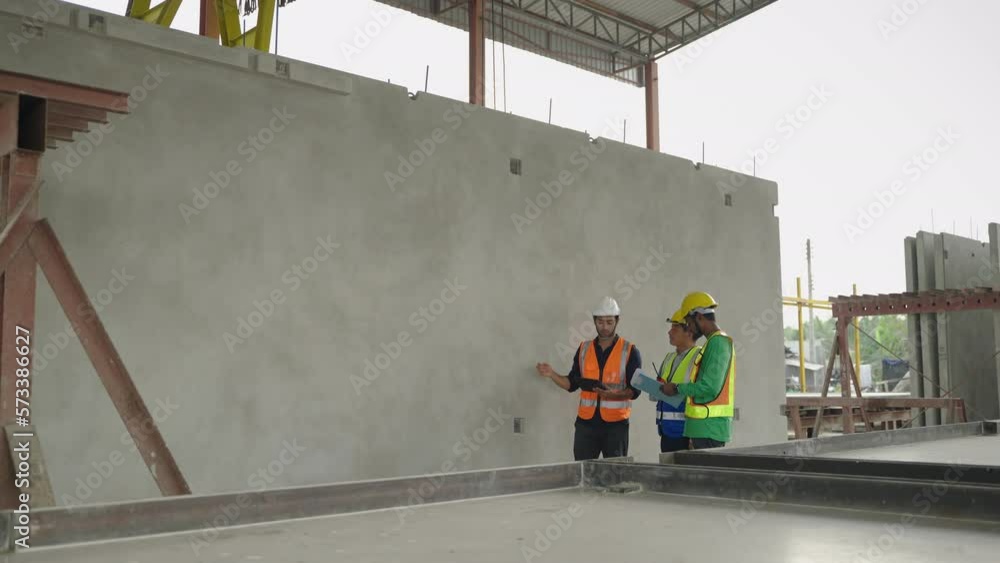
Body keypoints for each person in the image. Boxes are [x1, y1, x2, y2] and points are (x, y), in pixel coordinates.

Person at [536, 296, 642, 460]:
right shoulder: (584, 349)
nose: (605, 327)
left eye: (609, 322)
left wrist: (614, 395)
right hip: (586, 424)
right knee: (583, 472)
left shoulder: (630, 351)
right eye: (600, 322)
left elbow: (635, 391)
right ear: (594, 321)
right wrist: (552, 374)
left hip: (616, 426)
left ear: (617, 321)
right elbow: (572, 383)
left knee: (615, 474)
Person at [661, 291, 735, 450]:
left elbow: (709, 387)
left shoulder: (718, 343)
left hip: (709, 428)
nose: (689, 328)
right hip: (702, 428)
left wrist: (676, 387)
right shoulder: (713, 343)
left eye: (689, 322)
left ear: (699, 317)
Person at [653, 308, 701, 452]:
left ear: (689, 331)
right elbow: (658, 391)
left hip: (687, 433)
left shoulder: (698, 357)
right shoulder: (669, 358)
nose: (669, 332)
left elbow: (701, 394)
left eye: (675, 327)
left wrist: (694, 436)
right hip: (666, 431)